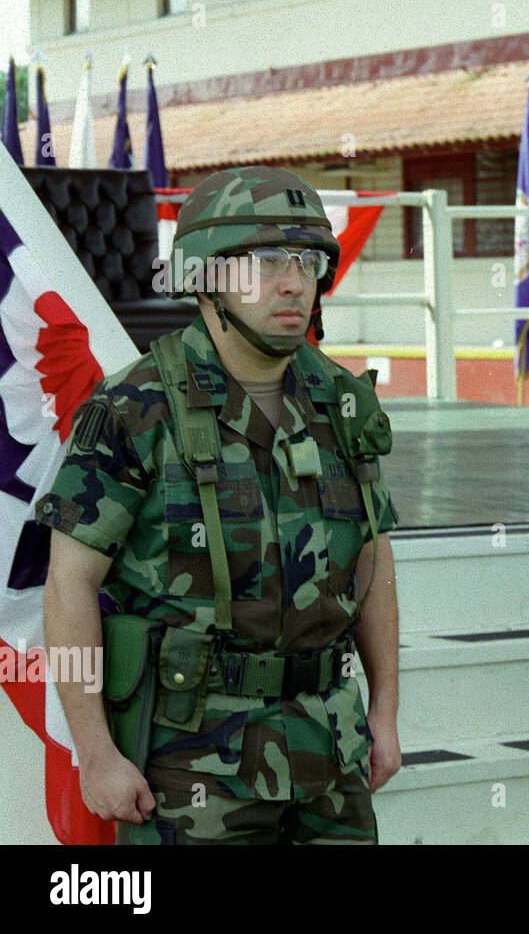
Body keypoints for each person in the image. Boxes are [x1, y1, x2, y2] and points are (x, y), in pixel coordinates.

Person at [36, 166, 402, 844]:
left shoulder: (342, 402)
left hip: (331, 752)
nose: (293, 282)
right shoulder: (133, 408)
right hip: (189, 768)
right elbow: (69, 584)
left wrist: (385, 713)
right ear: (204, 277)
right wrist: (95, 751)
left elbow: (374, 562)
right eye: (264, 263)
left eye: (308, 261)